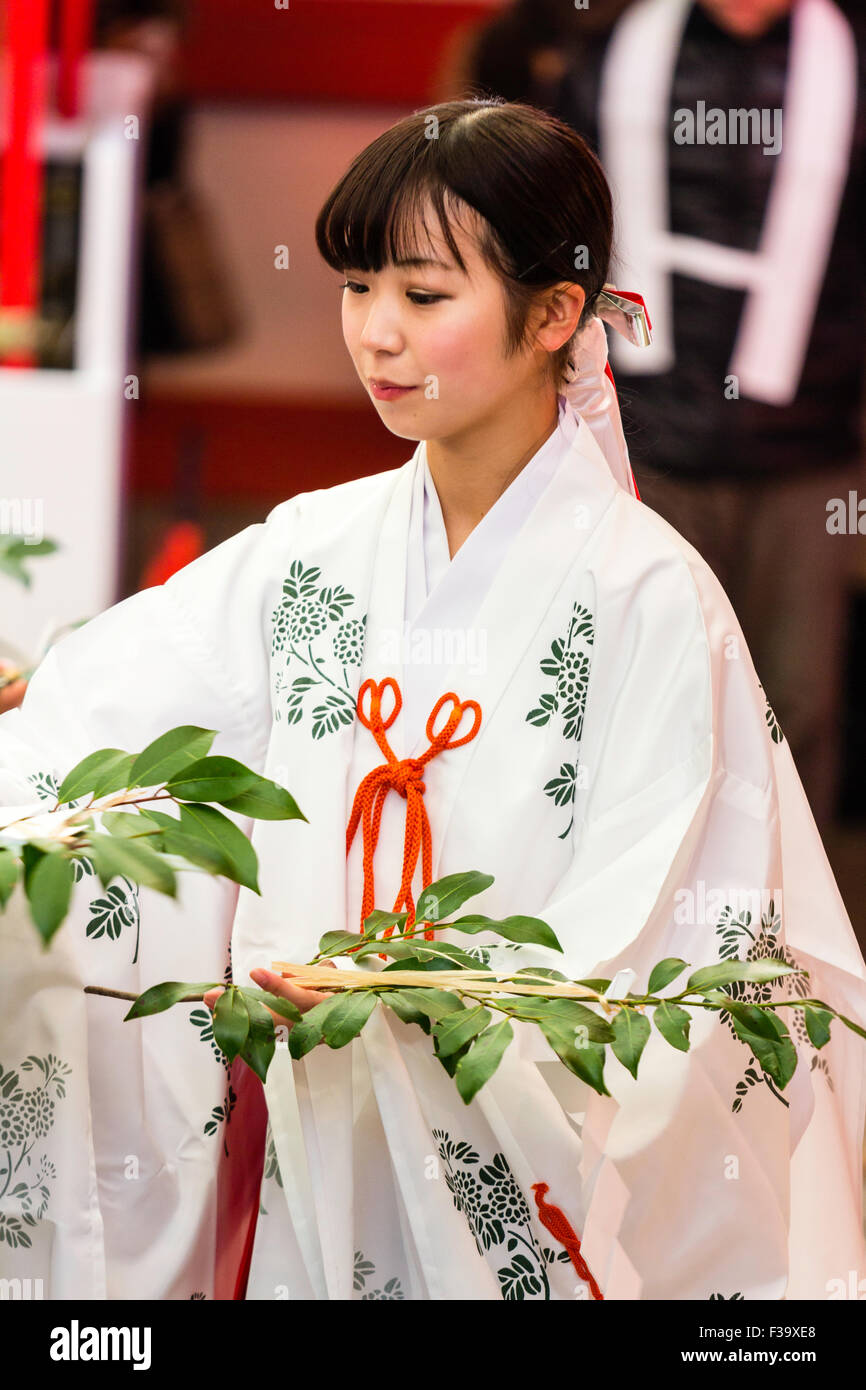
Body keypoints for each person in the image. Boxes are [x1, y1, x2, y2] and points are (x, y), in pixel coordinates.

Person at [1, 97, 865, 1301]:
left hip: (523, 1157)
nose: (374, 336)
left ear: (554, 310)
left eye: (422, 295)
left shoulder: (650, 592)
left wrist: (421, 996)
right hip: (327, 1118)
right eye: (358, 289)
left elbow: (667, 919)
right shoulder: (313, 548)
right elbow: (99, 717)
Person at [551, 0, 866, 836]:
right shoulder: (610, 43)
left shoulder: (852, 48)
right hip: (644, 440)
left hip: (812, 448)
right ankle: (642, 940)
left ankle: (787, 950)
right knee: (644, 698)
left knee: (798, 706)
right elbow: (556, 226)